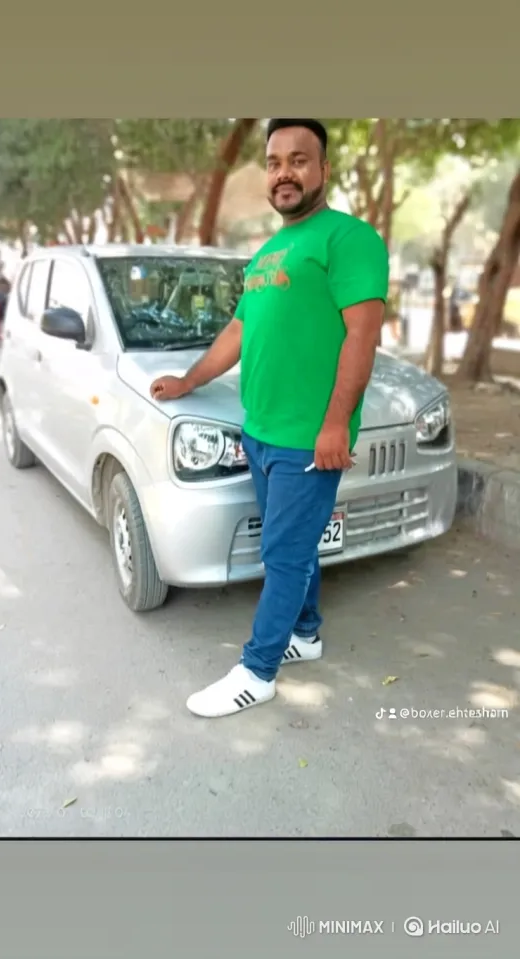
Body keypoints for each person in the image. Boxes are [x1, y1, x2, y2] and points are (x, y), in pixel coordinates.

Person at [150, 118, 389, 718]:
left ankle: (258, 671)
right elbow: (239, 329)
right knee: (294, 547)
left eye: (299, 160)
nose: (284, 172)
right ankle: (304, 633)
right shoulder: (268, 250)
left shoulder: (349, 239)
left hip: (307, 437)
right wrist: (189, 381)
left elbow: (362, 335)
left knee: (282, 554)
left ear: (324, 170)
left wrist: (336, 424)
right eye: (275, 161)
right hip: (259, 430)